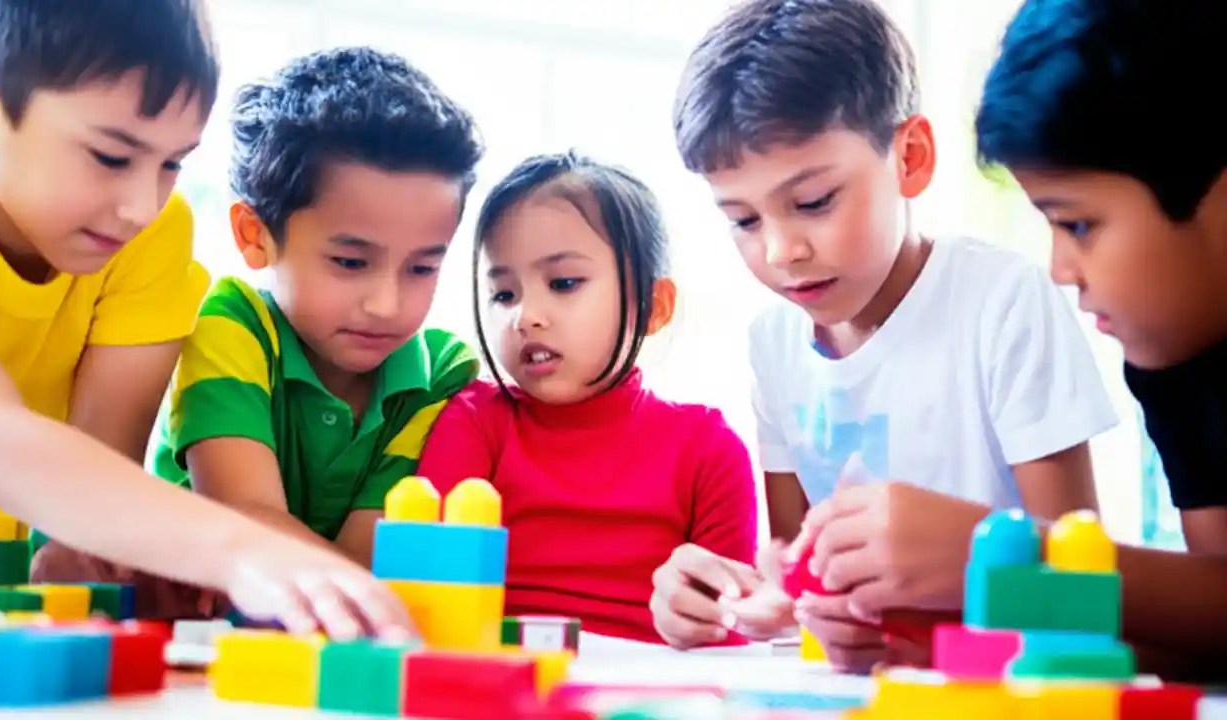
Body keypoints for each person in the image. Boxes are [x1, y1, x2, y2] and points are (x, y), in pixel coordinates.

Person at [650, 0, 1116, 668]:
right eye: (743, 220)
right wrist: (725, 601)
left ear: (911, 157)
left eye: (813, 203)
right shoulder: (775, 344)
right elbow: (797, 576)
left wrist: (916, 635)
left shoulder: (1003, 302)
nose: (781, 250)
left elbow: (1082, 580)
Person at [0, 0, 411, 640]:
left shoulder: (151, 236)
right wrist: (247, 549)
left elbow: (96, 475)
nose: (141, 205)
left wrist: (89, 553)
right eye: (111, 157)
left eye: (171, 163)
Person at [968, 0, 1227, 679]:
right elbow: (1212, 622)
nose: (1060, 270)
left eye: (1077, 225)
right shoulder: (1175, 354)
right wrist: (952, 636)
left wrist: (1032, 564)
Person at [149, 46, 482, 567]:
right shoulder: (230, 326)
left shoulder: (443, 372)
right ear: (254, 235)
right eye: (350, 262)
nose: (386, 305)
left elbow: (368, 559)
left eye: (422, 268)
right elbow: (246, 522)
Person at [416, 152, 757, 644]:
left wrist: (704, 617)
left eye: (564, 283)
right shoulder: (474, 421)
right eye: (504, 294)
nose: (526, 316)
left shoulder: (708, 450)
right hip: (499, 679)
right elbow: (429, 597)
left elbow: (727, 630)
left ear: (653, 307)